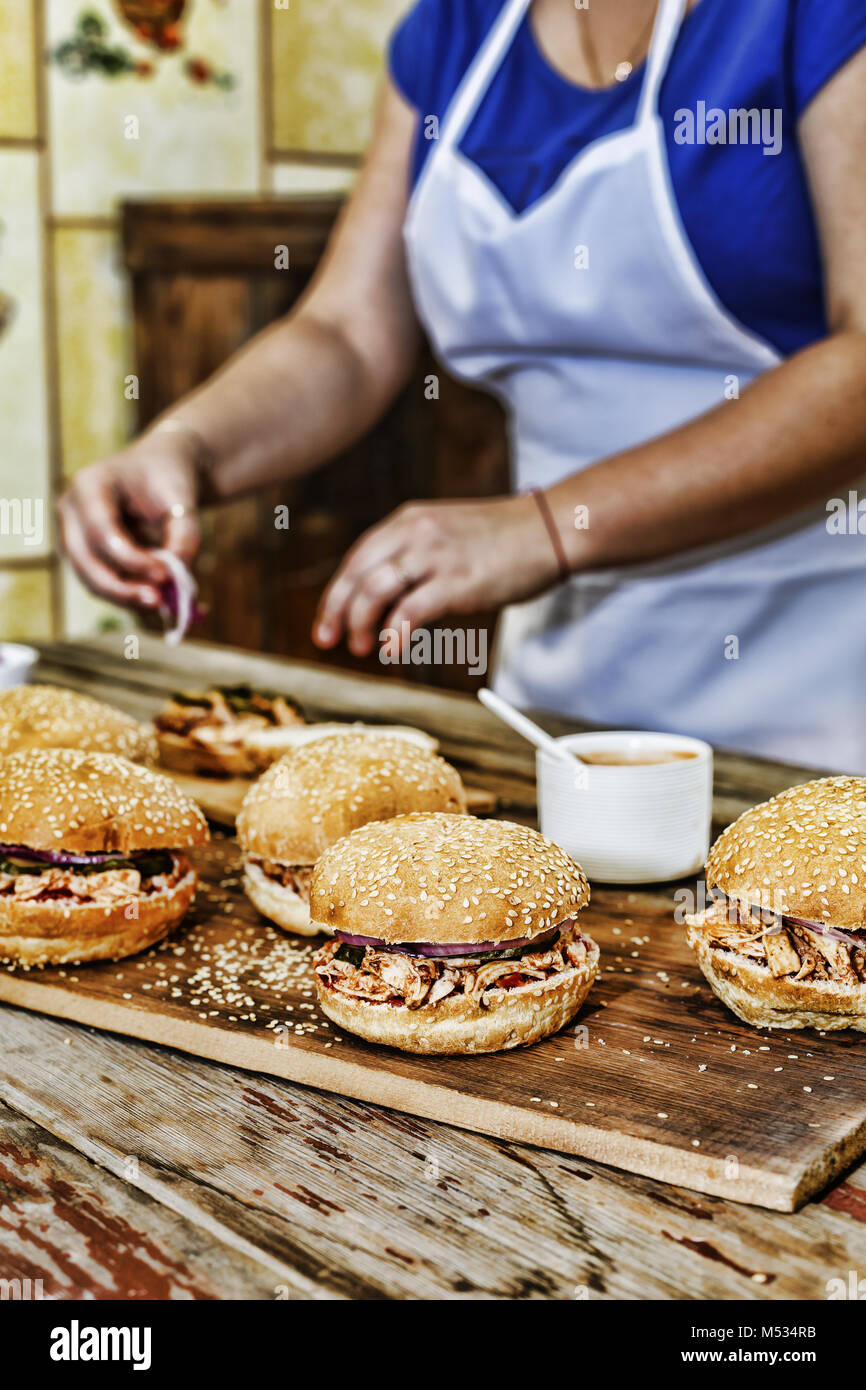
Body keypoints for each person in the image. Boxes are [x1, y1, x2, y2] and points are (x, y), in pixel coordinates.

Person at [59, 0, 866, 769]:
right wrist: (184, 448)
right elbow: (346, 334)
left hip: (820, 707)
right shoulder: (454, 31)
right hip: (561, 715)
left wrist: (546, 529)